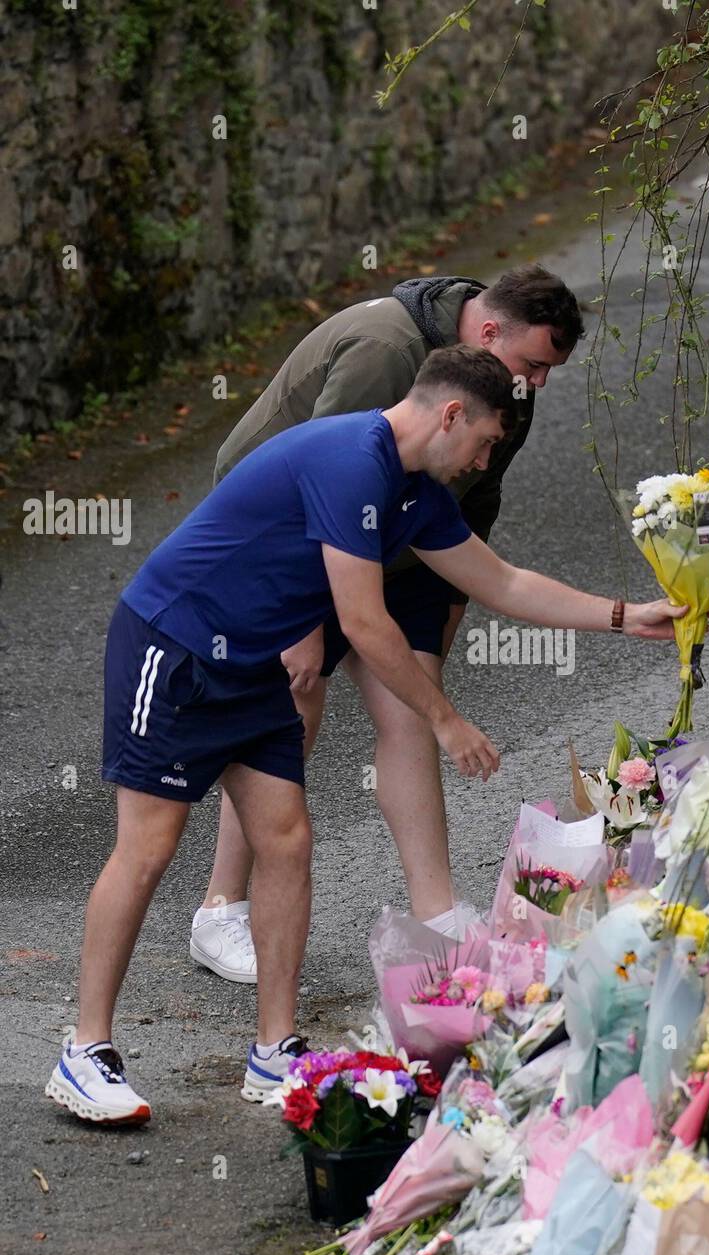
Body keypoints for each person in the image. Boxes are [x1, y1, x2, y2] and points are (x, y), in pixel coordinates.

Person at [45, 346, 686, 1125]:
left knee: (285, 842)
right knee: (147, 848)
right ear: (450, 414)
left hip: (253, 671)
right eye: (484, 441)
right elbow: (361, 620)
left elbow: (503, 583)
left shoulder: (417, 492)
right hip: (173, 646)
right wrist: (444, 721)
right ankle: (86, 1051)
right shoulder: (353, 459)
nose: (486, 460)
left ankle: (273, 1051)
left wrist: (628, 616)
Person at [190, 266, 583, 985]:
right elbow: (311, 483)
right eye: (533, 362)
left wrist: (447, 618)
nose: (538, 383)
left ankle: (438, 918)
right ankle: (219, 910)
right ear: (489, 331)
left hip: (407, 539)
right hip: (295, 538)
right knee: (289, 706)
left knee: (411, 707)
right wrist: (298, 618)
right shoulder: (383, 350)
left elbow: (477, 499)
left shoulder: (504, 390)